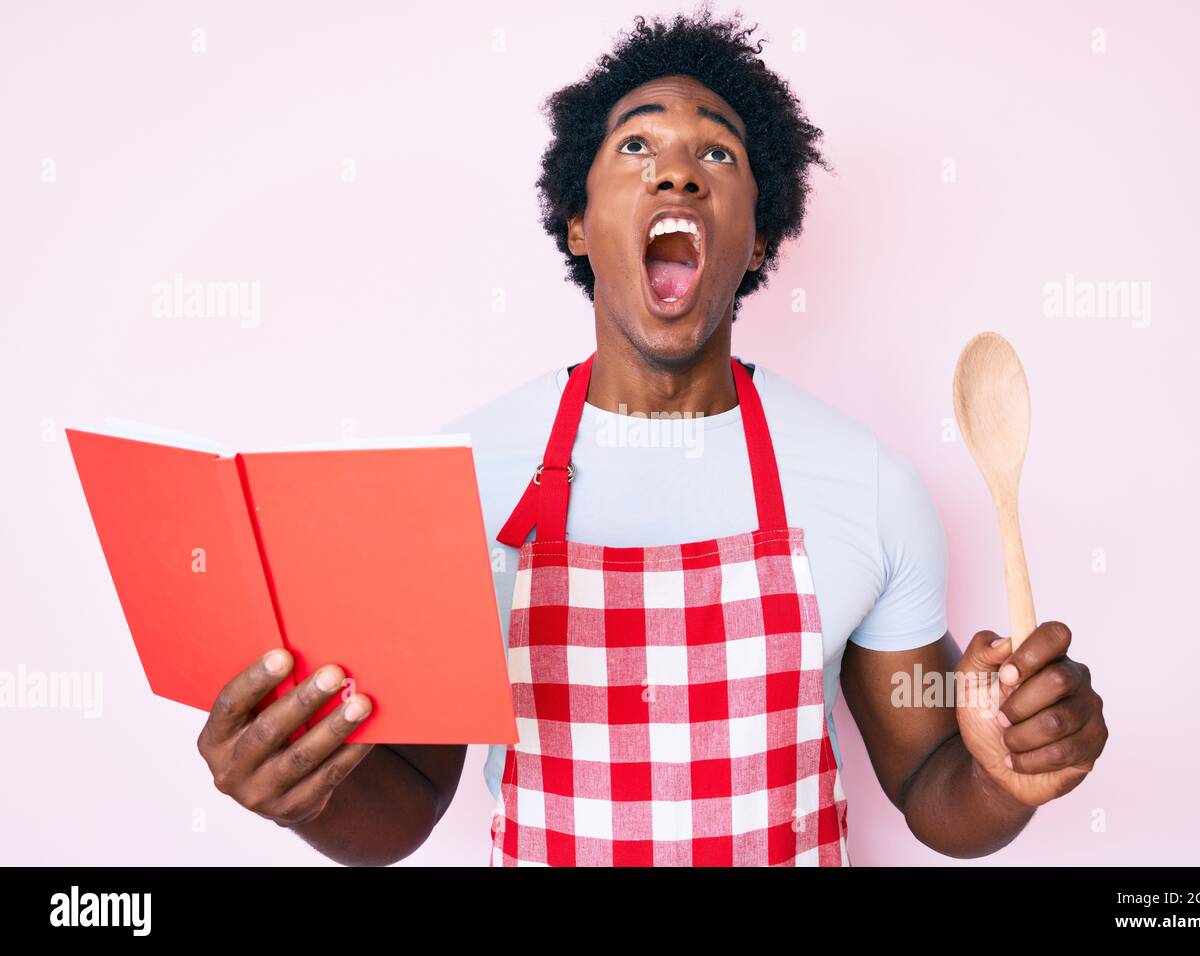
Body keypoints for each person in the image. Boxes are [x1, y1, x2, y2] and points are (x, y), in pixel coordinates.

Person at [196, 9, 1107, 866]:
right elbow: (406, 804)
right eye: (636, 145)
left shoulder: (867, 484)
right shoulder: (461, 478)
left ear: (757, 238)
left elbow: (926, 780)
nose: (677, 172)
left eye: (717, 151)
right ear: (580, 223)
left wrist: (1005, 774)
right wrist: (301, 793)